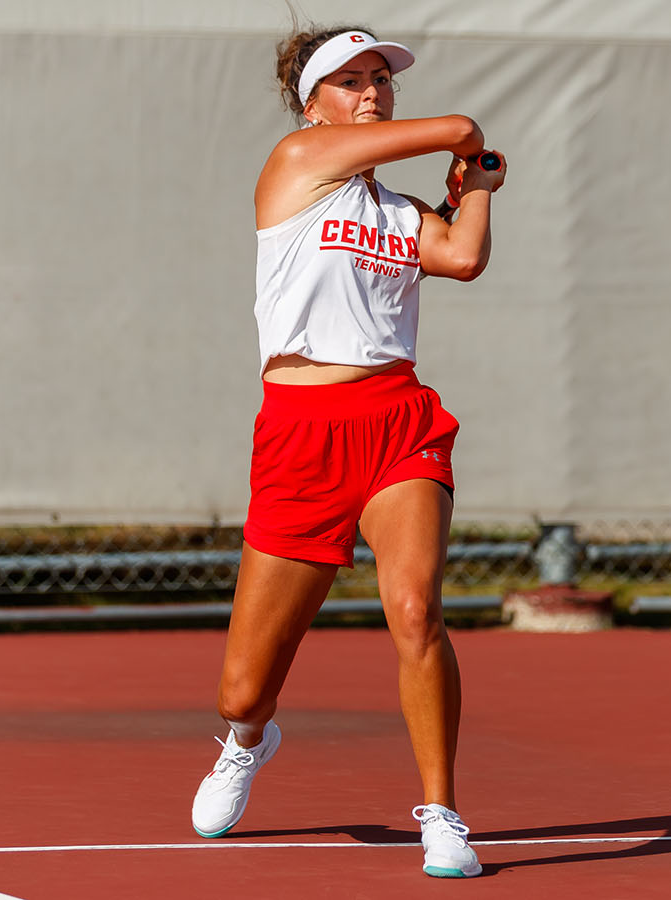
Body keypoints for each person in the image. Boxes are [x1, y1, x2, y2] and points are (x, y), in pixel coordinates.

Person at [189, 23, 505, 879]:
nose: (372, 92)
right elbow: (454, 127)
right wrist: (462, 137)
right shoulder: (295, 165)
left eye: (381, 79)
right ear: (312, 104)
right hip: (299, 437)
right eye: (351, 81)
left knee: (414, 610)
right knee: (242, 689)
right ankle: (248, 739)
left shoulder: (400, 213)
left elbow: (465, 256)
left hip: (397, 422)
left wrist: (475, 186)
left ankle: (443, 815)